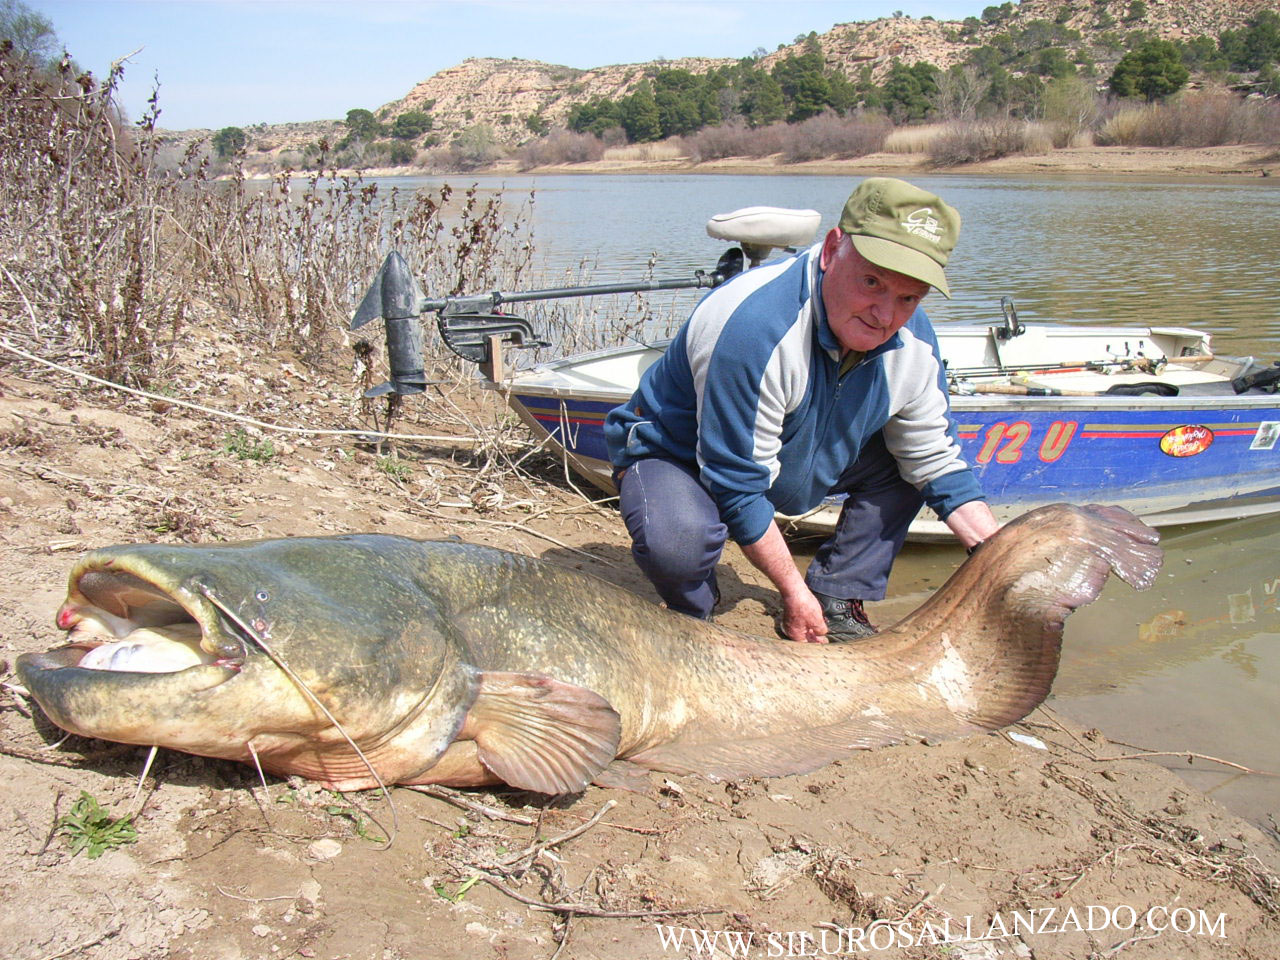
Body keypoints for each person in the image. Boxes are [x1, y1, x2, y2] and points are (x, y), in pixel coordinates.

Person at [603, 177, 999, 643]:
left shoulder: (913, 341)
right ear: (832, 250)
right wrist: (792, 593)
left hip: (783, 454)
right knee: (678, 544)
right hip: (676, 454)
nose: (884, 314)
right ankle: (695, 612)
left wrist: (997, 555)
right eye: (872, 282)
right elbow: (737, 486)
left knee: (908, 466)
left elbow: (935, 459)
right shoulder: (756, 329)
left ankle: (837, 594)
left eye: (908, 297)